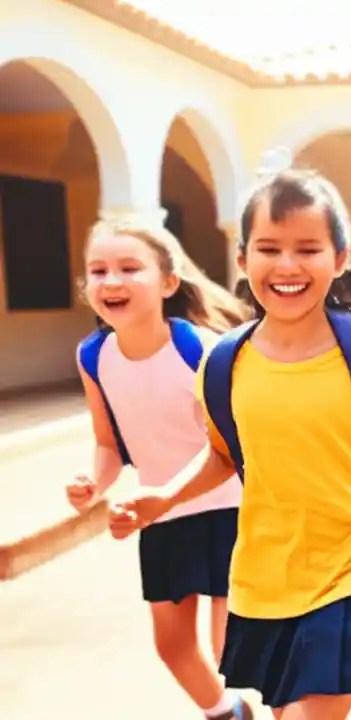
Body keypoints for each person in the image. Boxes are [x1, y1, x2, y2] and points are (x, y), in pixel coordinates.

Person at [109, 167, 351, 720]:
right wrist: (164, 497)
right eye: (269, 248)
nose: (287, 266)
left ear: (339, 257)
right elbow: (223, 454)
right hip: (267, 580)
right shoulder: (224, 365)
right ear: (243, 260)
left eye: (307, 249)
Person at [71, 220, 252, 720]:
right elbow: (109, 444)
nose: (112, 281)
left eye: (130, 268)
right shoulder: (93, 357)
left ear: (169, 282)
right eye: (98, 271)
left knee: (228, 648)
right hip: (163, 518)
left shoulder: (203, 349)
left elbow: (231, 444)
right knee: (173, 648)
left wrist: (170, 492)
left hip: (231, 511)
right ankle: (230, 714)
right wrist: (94, 483)